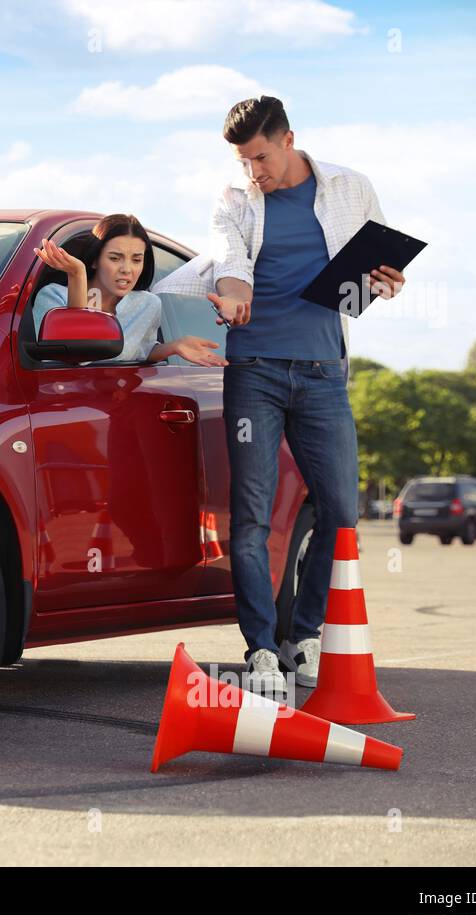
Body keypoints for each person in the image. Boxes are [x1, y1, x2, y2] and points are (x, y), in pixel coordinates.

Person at [159, 96, 406, 695]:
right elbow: (232, 259)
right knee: (252, 516)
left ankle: (305, 634)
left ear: (288, 140)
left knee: (341, 512)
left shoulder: (351, 188)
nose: (254, 173)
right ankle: (262, 650)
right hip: (255, 373)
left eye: (261, 158)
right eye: (244, 162)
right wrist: (235, 294)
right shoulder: (235, 199)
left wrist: (387, 282)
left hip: (324, 372)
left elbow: (366, 280)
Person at [33, 213, 226, 367]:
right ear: (95, 260)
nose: (127, 270)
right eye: (115, 258)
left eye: (136, 260)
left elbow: (140, 351)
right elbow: (78, 355)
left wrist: (174, 347)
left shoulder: (147, 304)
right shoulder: (53, 296)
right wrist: (77, 275)